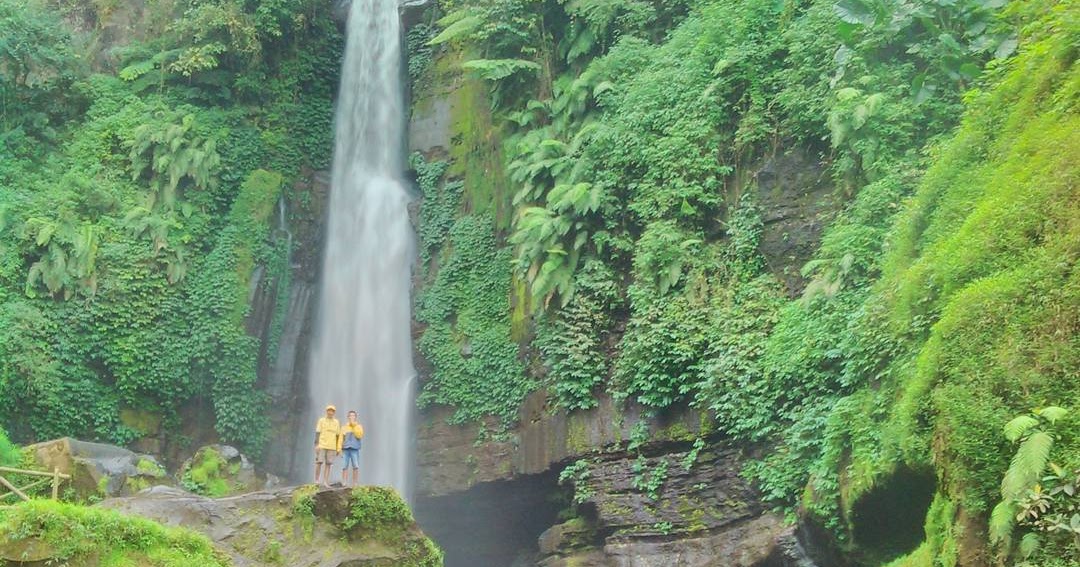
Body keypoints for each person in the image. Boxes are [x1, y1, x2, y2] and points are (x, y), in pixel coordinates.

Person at [314, 404, 342, 487]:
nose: (330, 412)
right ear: (326, 411)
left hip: (332, 446)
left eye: (332, 411)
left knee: (328, 464)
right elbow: (318, 433)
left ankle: (325, 481)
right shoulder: (321, 420)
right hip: (322, 445)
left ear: (334, 412)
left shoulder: (336, 422)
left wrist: (338, 448)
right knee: (319, 462)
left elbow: (337, 435)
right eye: (329, 411)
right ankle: (316, 480)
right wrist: (316, 444)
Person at [341, 410, 364, 487]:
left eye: (353, 415)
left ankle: (355, 483)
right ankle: (344, 482)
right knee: (344, 466)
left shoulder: (359, 426)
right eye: (350, 415)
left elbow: (359, 436)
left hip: (354, 449)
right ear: (348, 417)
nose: (352, 417)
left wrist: (354, 426)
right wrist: (339, 449)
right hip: (345, 448)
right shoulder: (344, 427)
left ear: (355, 417)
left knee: (356, 466)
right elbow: (341, 438)